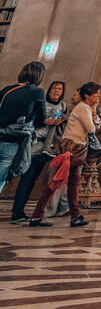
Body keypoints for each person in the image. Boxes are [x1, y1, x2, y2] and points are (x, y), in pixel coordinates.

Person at [30, 80, 99, 229]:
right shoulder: (83, 108)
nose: (98, 97)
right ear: (87, 95)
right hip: (71, 150)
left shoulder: (86, 108)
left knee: (72, 184)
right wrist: (93, 115)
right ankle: (37, 214)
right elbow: (91, 129)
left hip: (77, 150)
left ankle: (75, 216)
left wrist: (94, 114)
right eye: (95, 95)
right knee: (57, 181)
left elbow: (96, 125)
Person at [10, 79, 66, 223]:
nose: (56, 91)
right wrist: (45, 121)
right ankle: (17, 212)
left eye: (59, 89)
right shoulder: (41, 102)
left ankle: (20, 211)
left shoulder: (62, 106)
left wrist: (58, 123)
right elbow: (30, 120)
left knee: (33, 180)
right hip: (33, 144)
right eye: (54, 88)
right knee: (26, 179)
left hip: (46, 149)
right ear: (49, 90)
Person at [0, 61, 47, 201]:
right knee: (1, 179)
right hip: (12, 141)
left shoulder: (6, 89)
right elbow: (41, 120)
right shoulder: (38, 92)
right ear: (39, 76)